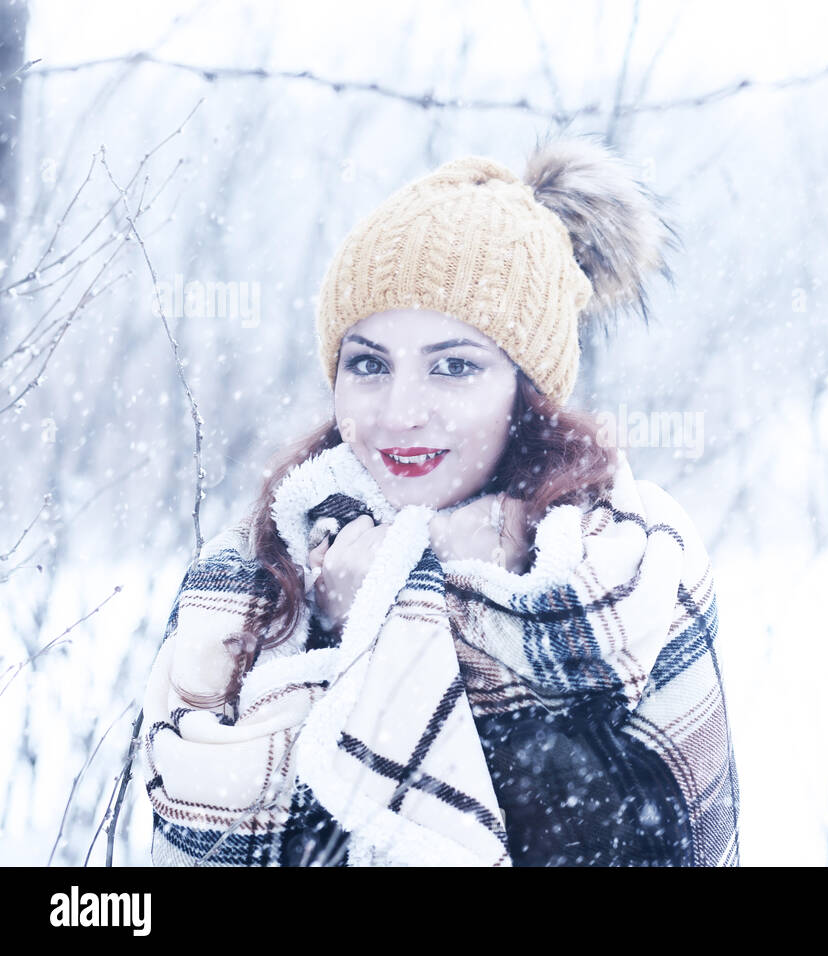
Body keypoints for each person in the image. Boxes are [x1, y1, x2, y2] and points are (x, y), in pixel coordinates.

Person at [140, 134, 740, 867]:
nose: (400, 412)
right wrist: (336, 626)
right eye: (368, 364)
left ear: (527, 390)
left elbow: (634, 840)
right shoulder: (251, 577)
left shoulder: (627, 573)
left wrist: (406, 614)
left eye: (454, 367)